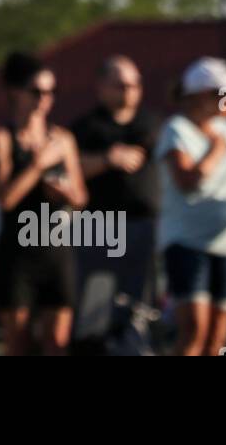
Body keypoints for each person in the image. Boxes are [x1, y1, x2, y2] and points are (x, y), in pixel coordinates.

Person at [155, 58, 226, 355]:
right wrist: (215, 150)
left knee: (218, 333)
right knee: (194, 329)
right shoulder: (176, 130)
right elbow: (188, 180)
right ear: (203, 95)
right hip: (187, 242)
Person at [0, 52, 87, 355]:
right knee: (19, 345)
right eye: (37, 91)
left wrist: (65, 192)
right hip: (17, 253)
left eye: (50, 91)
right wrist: (38, 166)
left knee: (56, 344)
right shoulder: (3, 139)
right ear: (15, 92)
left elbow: (82, 198)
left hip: (56, 250)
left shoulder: (63, 139)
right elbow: (6, 199)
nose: (45, 98)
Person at [70, 55, 161, 349]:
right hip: (97, 226)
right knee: (93, 302)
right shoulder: (86, 127)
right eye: (120, 85)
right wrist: (108, 159)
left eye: (134, 85)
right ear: (102, 87)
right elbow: (65, 168)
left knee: (137, 304)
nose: (129, 91)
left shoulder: (152, 123)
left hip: (142, 227)